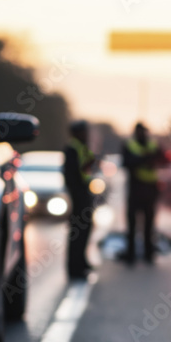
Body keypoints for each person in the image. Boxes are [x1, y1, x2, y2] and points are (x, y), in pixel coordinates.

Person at [122, 122, 168, 265]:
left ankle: (149, 254)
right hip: (135, 189)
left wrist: (153, 158)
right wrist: (145, 159)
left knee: (149, 224)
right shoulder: (129, 145)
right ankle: (131, 255)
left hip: (150, 190)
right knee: (132, 225)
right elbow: (126, 163)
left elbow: (166, 159)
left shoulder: (153, 145)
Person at [63, 120, 96, 279]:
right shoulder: (72, 149)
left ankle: (81, 262)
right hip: (78, 195)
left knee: (85, 230)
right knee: (78, 232)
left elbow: (89, 163)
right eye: (83, 131)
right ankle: (75, 268)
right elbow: (73, 174)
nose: (86, 134)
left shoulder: (82, 147)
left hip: (84, 192)